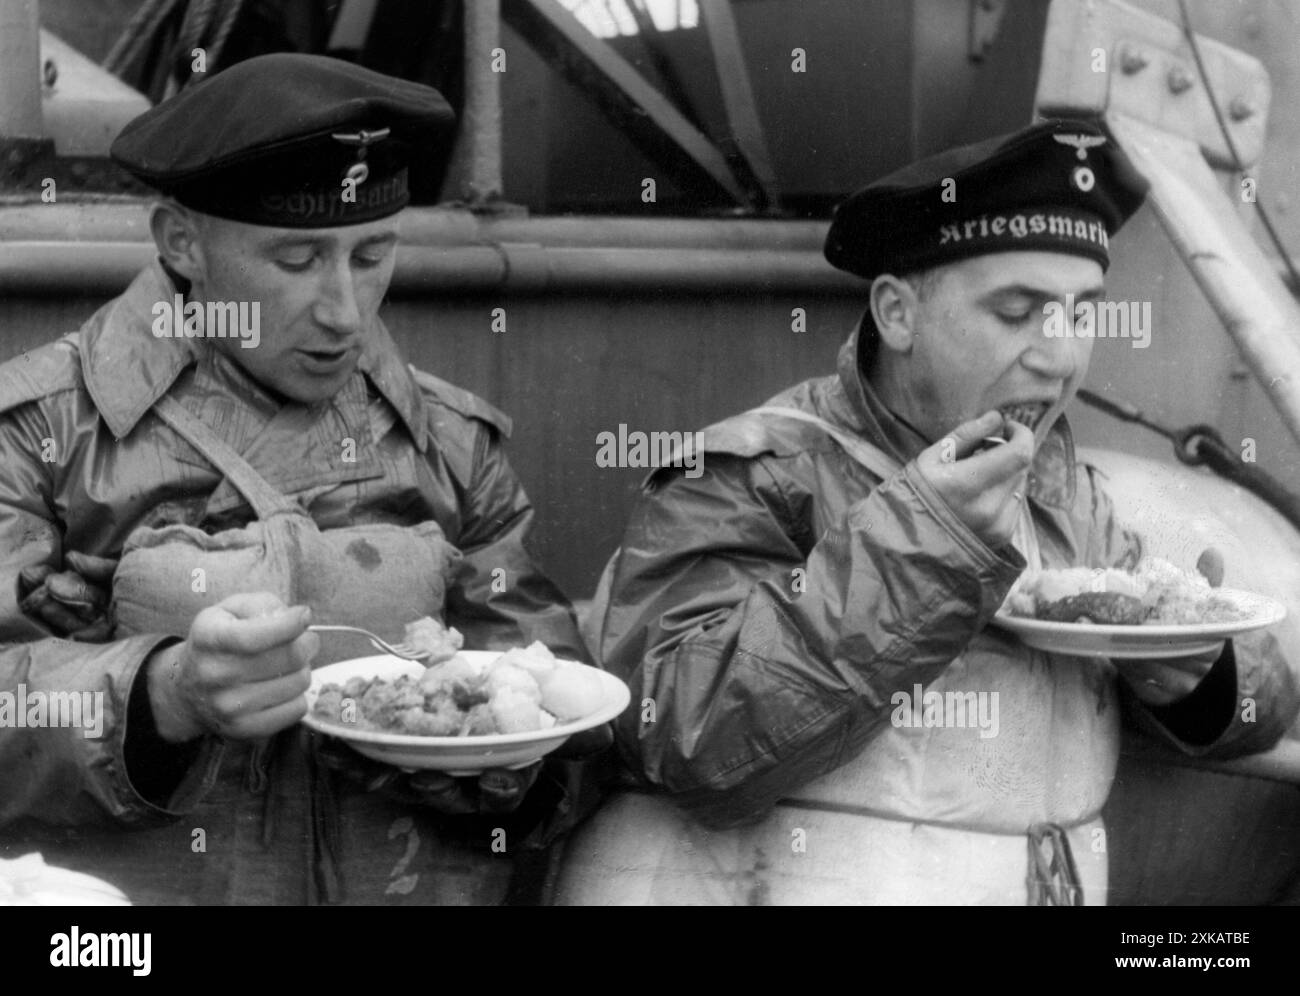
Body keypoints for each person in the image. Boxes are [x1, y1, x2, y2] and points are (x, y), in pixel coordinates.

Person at [558, 119, 1300, 905]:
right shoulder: (756, 472)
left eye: (1082, 313)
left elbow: (1264, 705)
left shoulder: (1068, 496)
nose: (1060, 355)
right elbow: (687, 736)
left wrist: (1201, 675)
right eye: (1018, 313)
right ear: (897, 314)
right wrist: (925, 543)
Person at [0, 53, 605, 905]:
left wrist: (483, 735)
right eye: (297, 260)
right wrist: (161, 695)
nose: (344, 312)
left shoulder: (452, 446)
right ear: (182, 241)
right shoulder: (37, 434)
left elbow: (570, 748)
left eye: (371, 255)